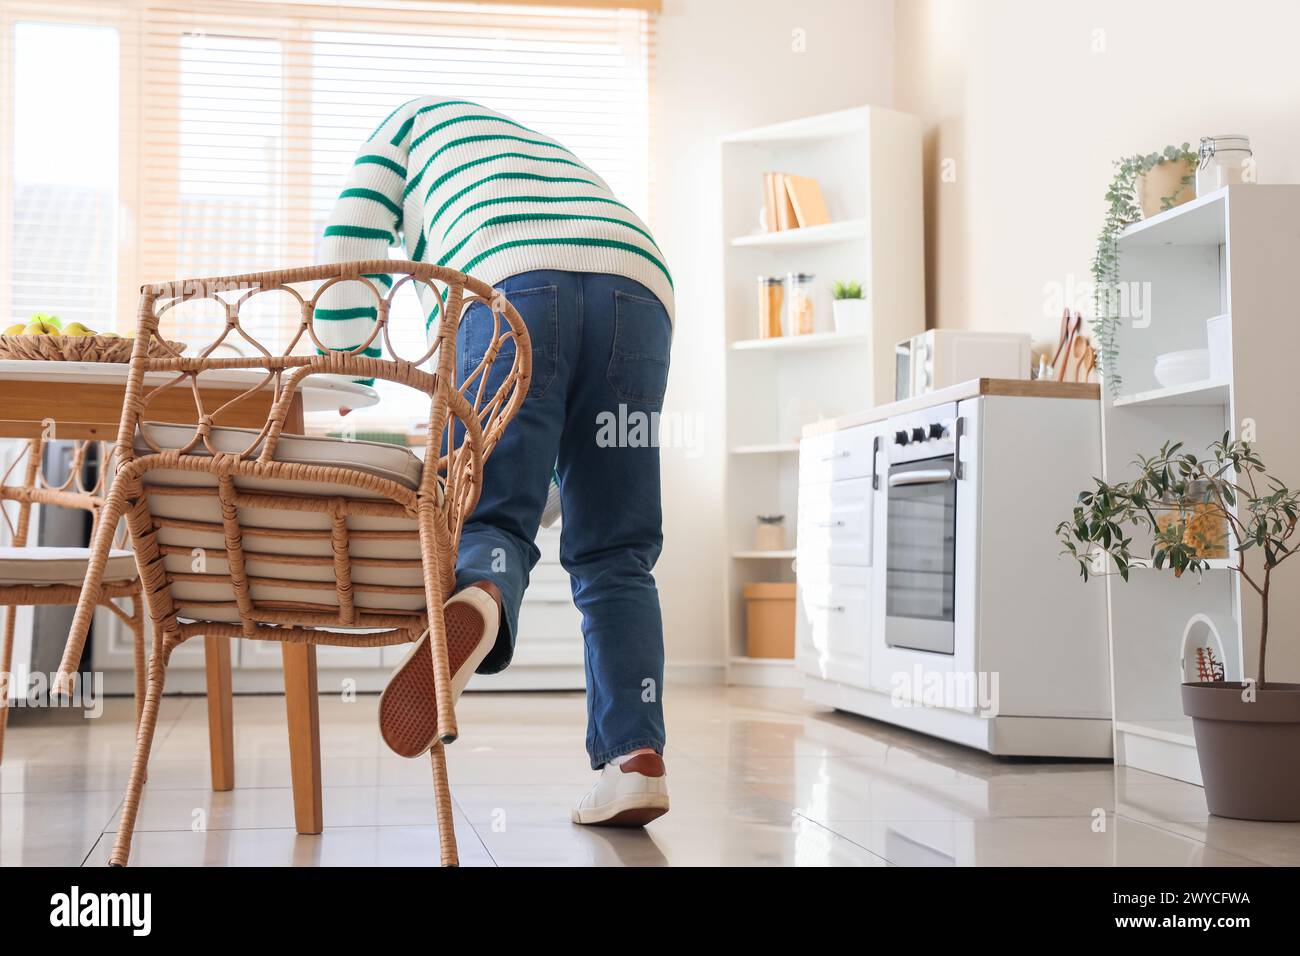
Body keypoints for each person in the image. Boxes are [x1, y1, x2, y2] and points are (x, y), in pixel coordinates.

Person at [317, 96, 672, 826]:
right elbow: (559, 424)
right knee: (617, 550)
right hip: (639, 289)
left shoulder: (404, 125)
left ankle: (482, 590)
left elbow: (350, 251)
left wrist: (343, 377)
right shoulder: (544, 155)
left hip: (510, 281)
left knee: (490, 514)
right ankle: (635, 759)